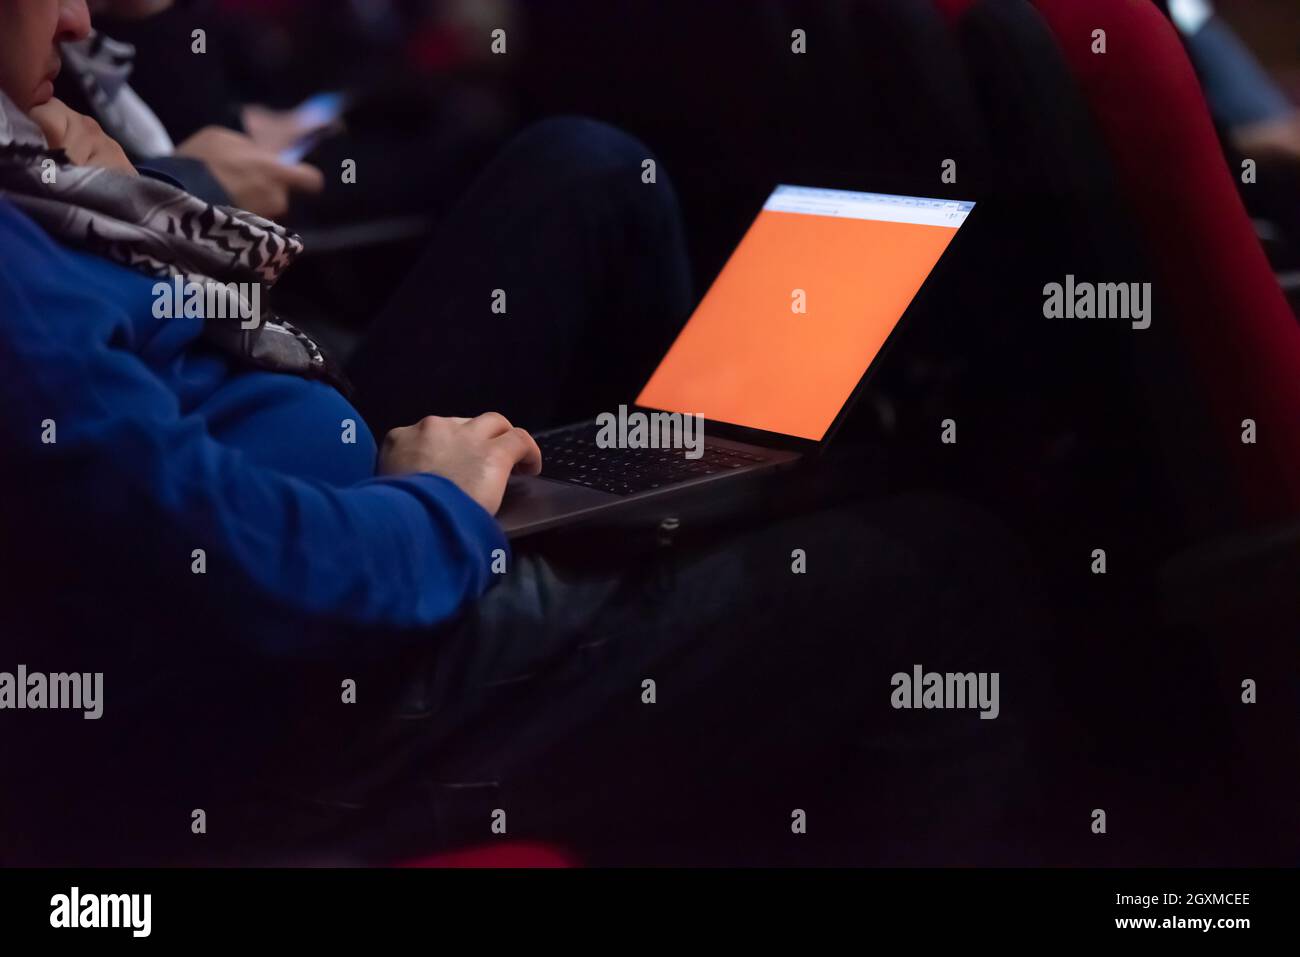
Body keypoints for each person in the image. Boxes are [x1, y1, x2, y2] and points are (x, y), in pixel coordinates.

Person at [0, 0, 1042, 866]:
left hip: (341, 533)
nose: (80, 16)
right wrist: (434, 508)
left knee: (590, 178)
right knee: (950, 570)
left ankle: (694, 555)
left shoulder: (28, 166)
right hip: (285, 709)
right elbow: (235, 569)